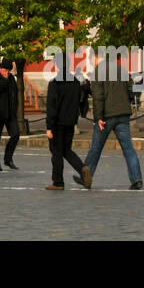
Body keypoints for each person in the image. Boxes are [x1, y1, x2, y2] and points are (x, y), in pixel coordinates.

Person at [84, 52, 143, 189]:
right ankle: (137, 179)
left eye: (91, 60)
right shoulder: (121, 69)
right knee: (128, 149)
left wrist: (98, 117)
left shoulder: (98, 72)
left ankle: (86, 176)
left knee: (95, 148)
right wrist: (124, 103)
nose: (92, 64)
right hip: (123, 113)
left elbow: (98, 97)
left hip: (106, 116)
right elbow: (131, 89)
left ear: (96, 58)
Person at [44, 54, 89, 190]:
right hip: (70, 121)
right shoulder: (76, 82)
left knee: (56, 152)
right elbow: (80, 101)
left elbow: (51, 106)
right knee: (66, 150)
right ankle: (82, 168)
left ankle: (58, 182)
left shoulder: (55, 83)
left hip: (57, 122)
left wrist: (49, 126)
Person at [0, 59, 23, 171]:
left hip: (10, 112)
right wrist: (3, 80)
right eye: (5, 70)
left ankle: (8, 158)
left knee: (16, 134)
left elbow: (14, 94)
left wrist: (15, 109)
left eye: (8, 70)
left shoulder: (11, 78)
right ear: (0, 69)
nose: (7, 72)